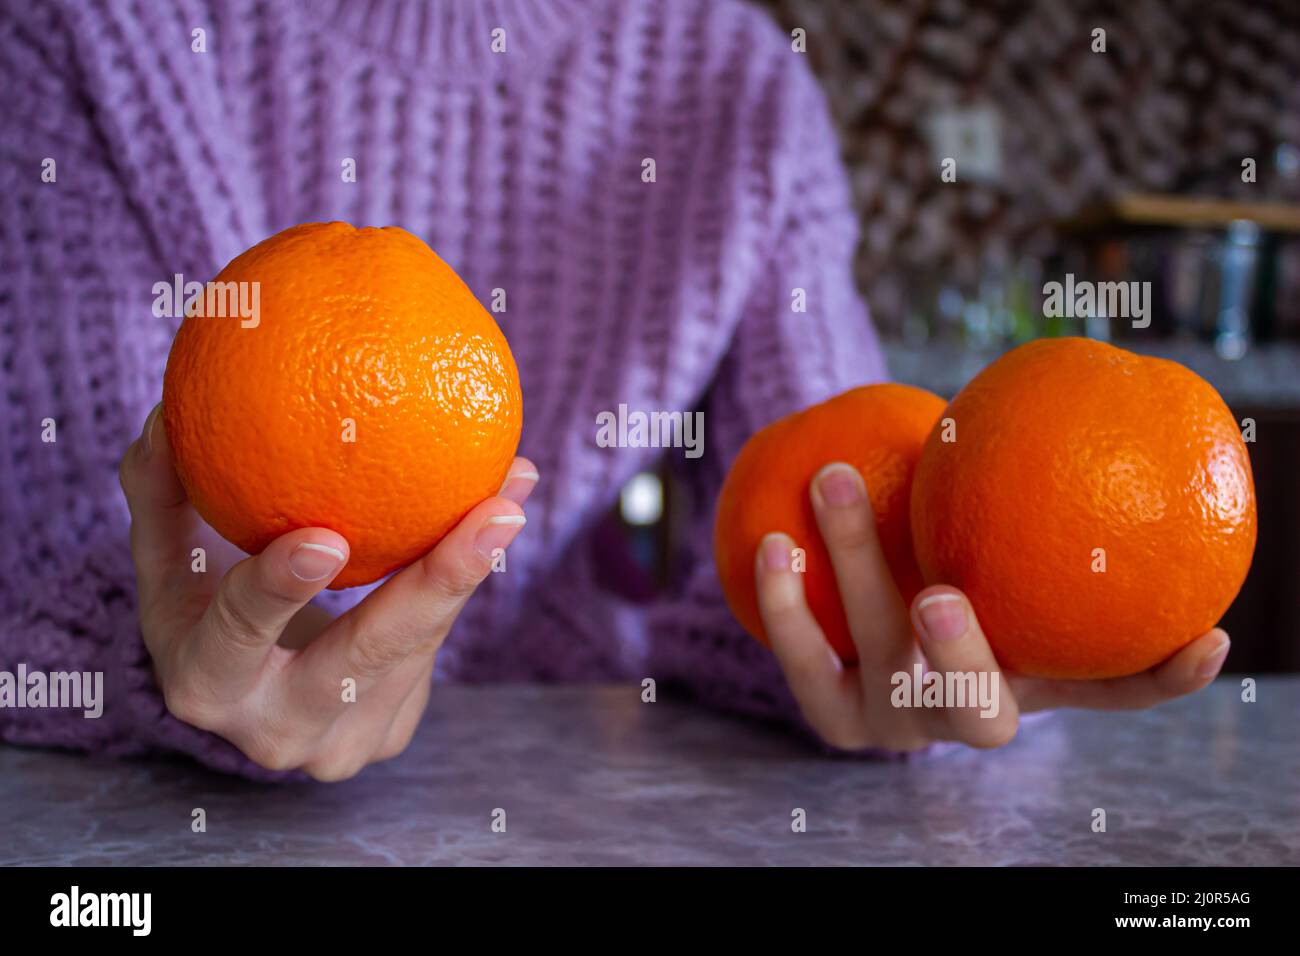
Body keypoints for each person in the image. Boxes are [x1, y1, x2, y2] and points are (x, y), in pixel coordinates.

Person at [0, 0, 1230, 780]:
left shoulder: (739, 88)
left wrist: (861, 660)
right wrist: (162, 653)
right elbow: (51, 547)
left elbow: (831, 514)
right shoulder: (92, 29)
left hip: (572, 780)